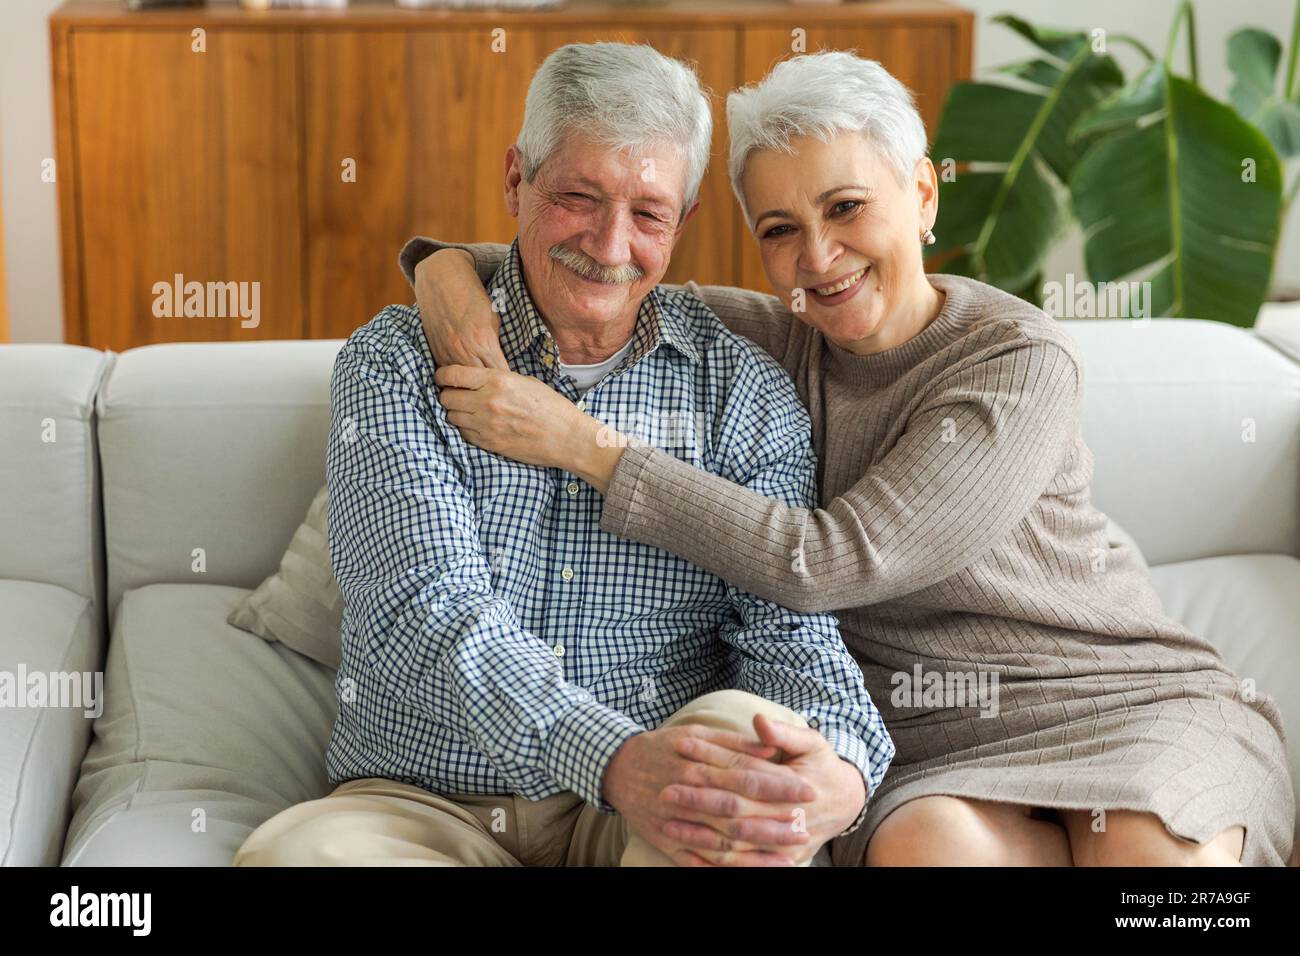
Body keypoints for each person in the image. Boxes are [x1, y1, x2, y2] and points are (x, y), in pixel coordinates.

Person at [401, 51, 1295, 866]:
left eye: (846, 208)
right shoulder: (785, 337)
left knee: (1150, 872)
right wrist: (438, 266)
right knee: (929, 855)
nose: (819, 259)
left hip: (1119, 706)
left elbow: (832, 560)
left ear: (924, 193)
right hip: (933, 739)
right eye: (781, 229)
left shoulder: (1016, 361)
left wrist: (579, 443)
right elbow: (599, 263)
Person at [234, 42, 893, 869]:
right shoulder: (396, 363)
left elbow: (789, 625)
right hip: (431, 801)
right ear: (517, 181)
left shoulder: (744, 396)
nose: (611, 246)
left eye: (649, 214)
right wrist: (613, 760)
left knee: (743, 766)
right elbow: (423, 613)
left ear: (683, 223)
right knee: (302, 862)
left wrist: (847, 765)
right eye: (578, 197)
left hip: (661, 794)